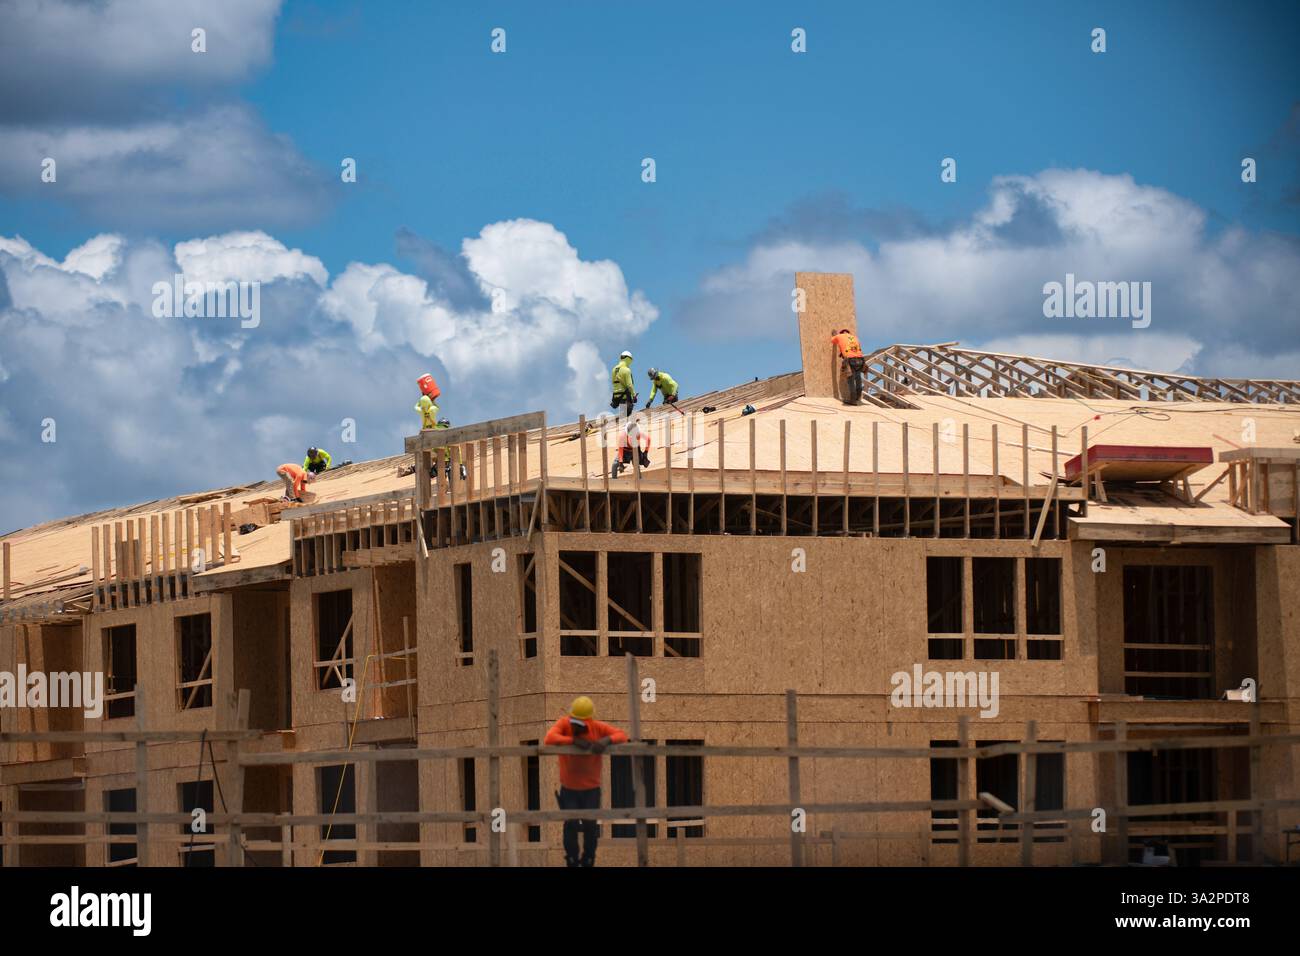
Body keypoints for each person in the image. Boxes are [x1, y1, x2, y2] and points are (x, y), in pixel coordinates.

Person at [543, 696, 628, 867]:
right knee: (571, 824)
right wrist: (572, 740)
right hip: (569, 788)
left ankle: (589, 859)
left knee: (590, 826)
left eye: (581, 723)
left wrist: (606, 740)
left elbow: (622, 735)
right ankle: (572, 859)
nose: (577, 726)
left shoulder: (596, 727)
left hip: (591, 789)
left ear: (589, 720)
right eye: (575, 722)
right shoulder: (565, 724)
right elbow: (549, 738)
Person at [831, 328, 866, 405]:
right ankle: (858, 397)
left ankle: (853, 400)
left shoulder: (839, 336)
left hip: (851, 360)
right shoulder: (855, 338)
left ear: (841, 333)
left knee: (851, 379)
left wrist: (834, 335)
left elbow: (832, 340)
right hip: (861, 360)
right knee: (858, 378)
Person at [610, 350, 636, 418]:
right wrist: (634, 396)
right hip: (624, 397)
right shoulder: (626, 370)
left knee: (622, 415)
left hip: (616, 397)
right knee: (626, 416)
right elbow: (630, 385)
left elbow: (613, 382)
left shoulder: (614, 369)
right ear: (628, 359)